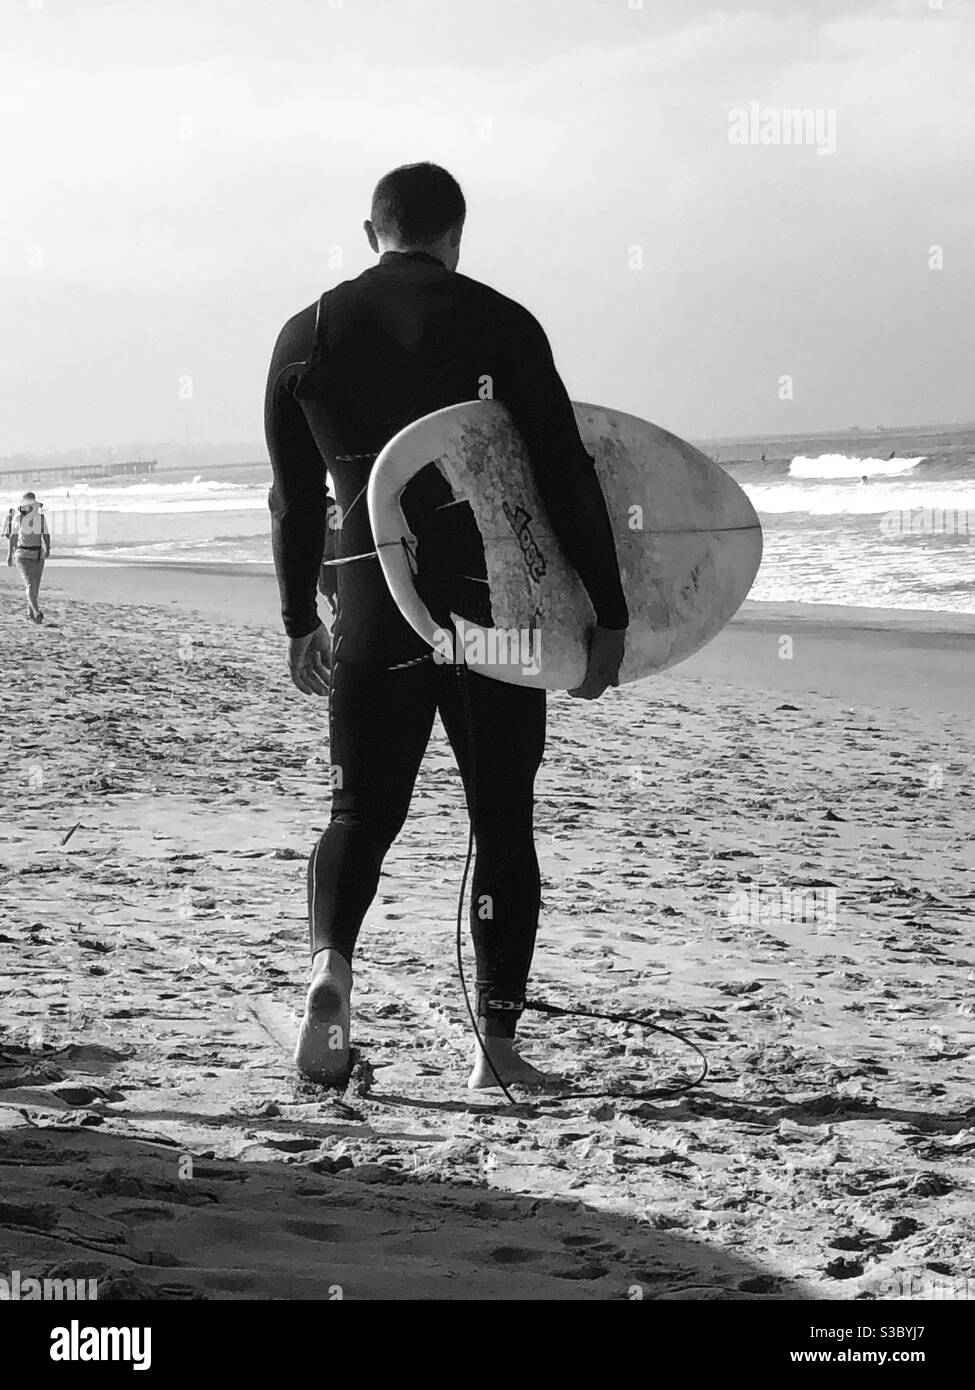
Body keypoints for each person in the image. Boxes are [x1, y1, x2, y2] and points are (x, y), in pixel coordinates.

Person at [266, 163, 629, 1091]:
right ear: (456, 235)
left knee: (358, 813)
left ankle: (328, 973)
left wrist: (297, 617)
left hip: (372, 607)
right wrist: (607, 615)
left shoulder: (305, 332)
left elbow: (292, 497)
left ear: (369, 230)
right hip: (489, 617)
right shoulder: (501, 322)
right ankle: (495, 1051)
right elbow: (561, 471)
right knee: (502, 822)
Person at [5, 492, 51, 622]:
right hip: (22, 554)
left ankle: (30, 612)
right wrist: (9, 555)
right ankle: (37, 612)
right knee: (30, 584)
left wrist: (48, 548)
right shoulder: (18, 519)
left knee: (35, 586)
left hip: (38, 555)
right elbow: (13, 538)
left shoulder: (41, 518)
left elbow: (46, 534)